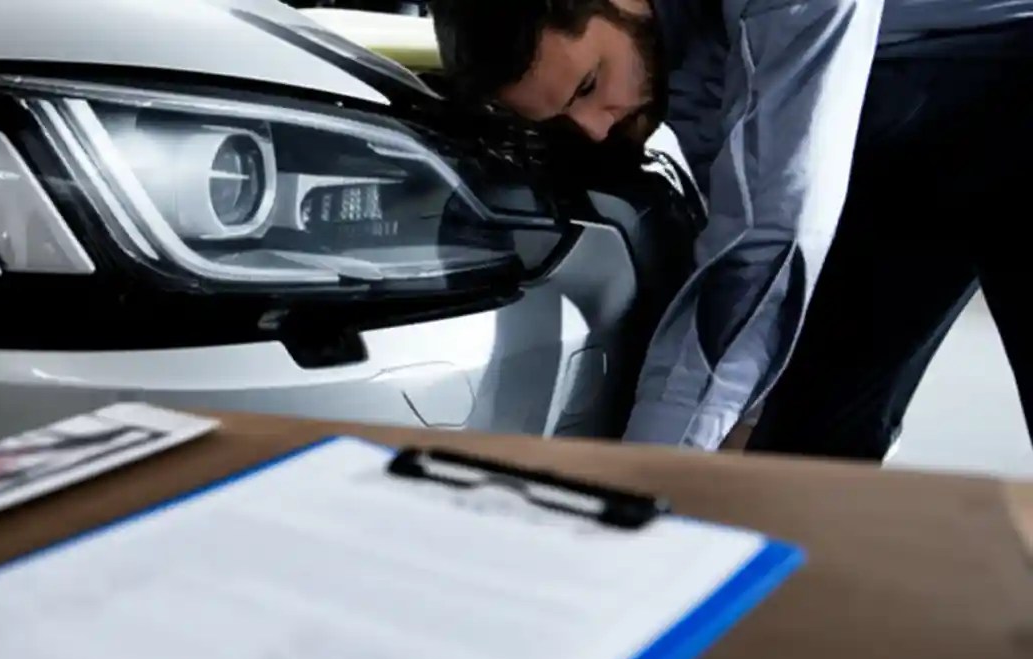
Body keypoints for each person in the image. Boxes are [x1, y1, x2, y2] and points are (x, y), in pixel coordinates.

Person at [428, 0, 1033, 460]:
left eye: (588, 85)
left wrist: (649, 473)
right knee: (802, 449)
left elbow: (765, 237)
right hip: (929, 125)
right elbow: (732, 246)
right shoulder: (677, 58)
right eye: (564, 117)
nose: (594, 127)